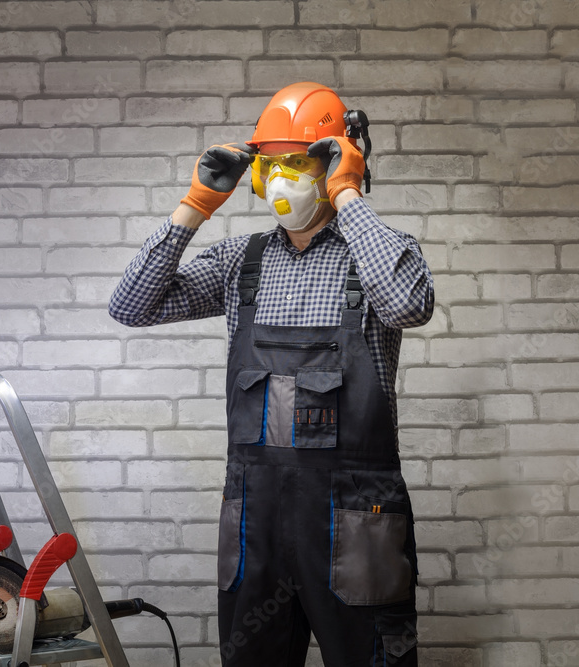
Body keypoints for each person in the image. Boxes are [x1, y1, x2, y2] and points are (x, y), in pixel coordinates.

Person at [108, 81, 435, 666]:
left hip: (355, 522)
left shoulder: (378, 253)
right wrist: (195, 207)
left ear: (337, 160)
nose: (284, 178)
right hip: (255, 521)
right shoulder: (242, 261)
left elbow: (410, 305)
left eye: (300, 161)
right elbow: (131, 306)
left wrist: (350, 196)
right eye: (272, 164)